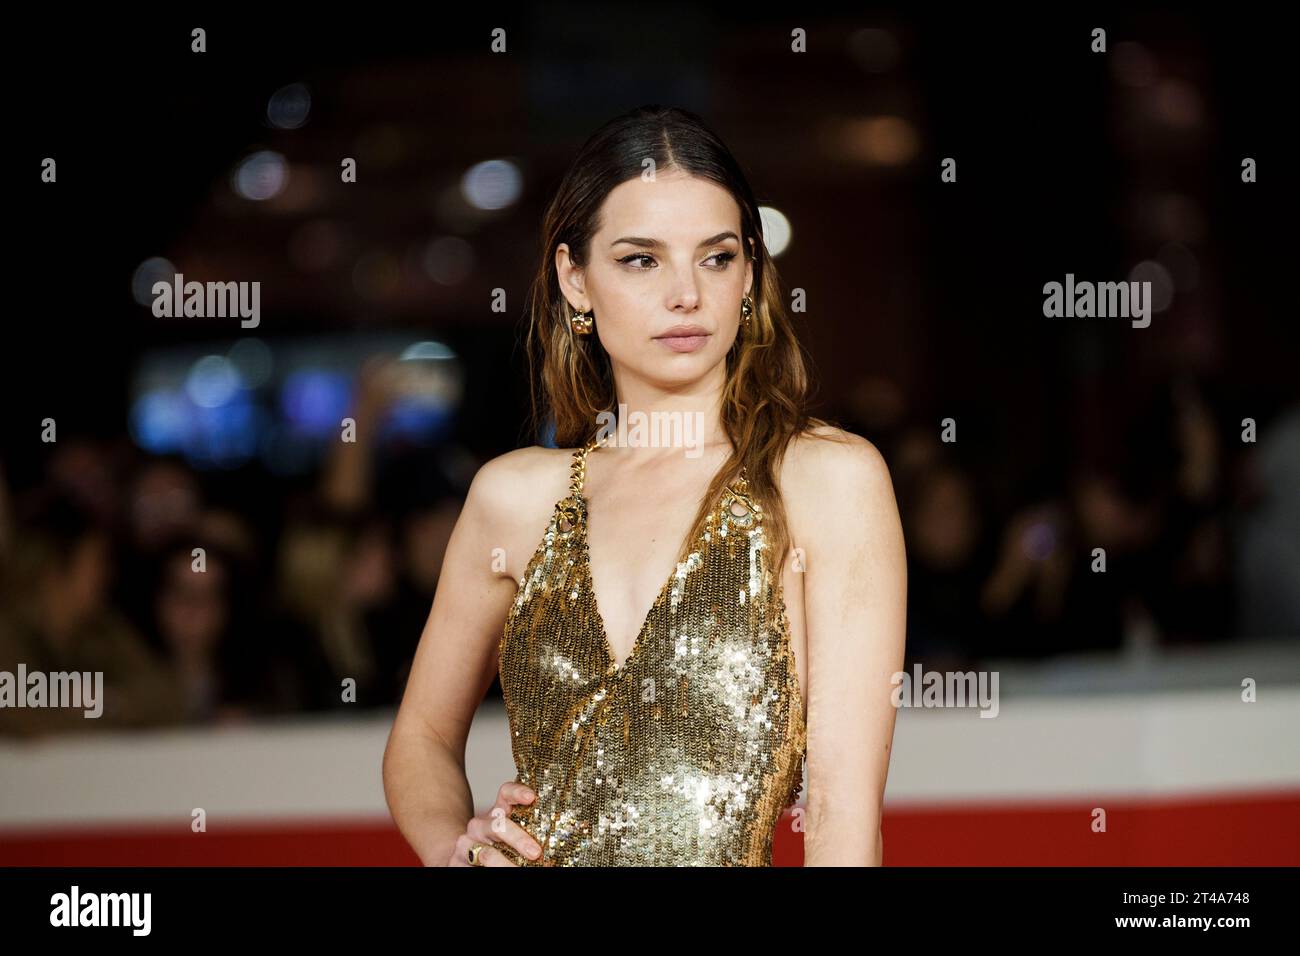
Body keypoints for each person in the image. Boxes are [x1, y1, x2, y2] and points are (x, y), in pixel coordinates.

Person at [382, 105, 907, 866]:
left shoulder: (826, 480)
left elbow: (838, 815)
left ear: (751, 272)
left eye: (717, 256)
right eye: (641, 259)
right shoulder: (513, 497)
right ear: (575, 278)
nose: (686, 293)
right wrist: (451, 848)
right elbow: (421, 740)